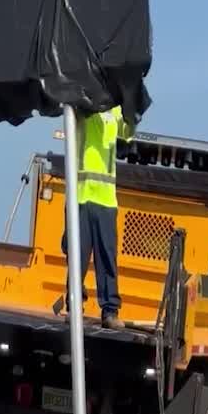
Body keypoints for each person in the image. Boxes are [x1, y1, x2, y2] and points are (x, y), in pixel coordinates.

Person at [54, 104, 136, 329]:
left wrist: (134, 109)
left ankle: (109, 311)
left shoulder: (117, 109)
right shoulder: (82, 103)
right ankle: (75, 306)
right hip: (80, 197)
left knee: (107, 258)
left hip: (106, 200)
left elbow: (127, 134)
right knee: (77, 257)